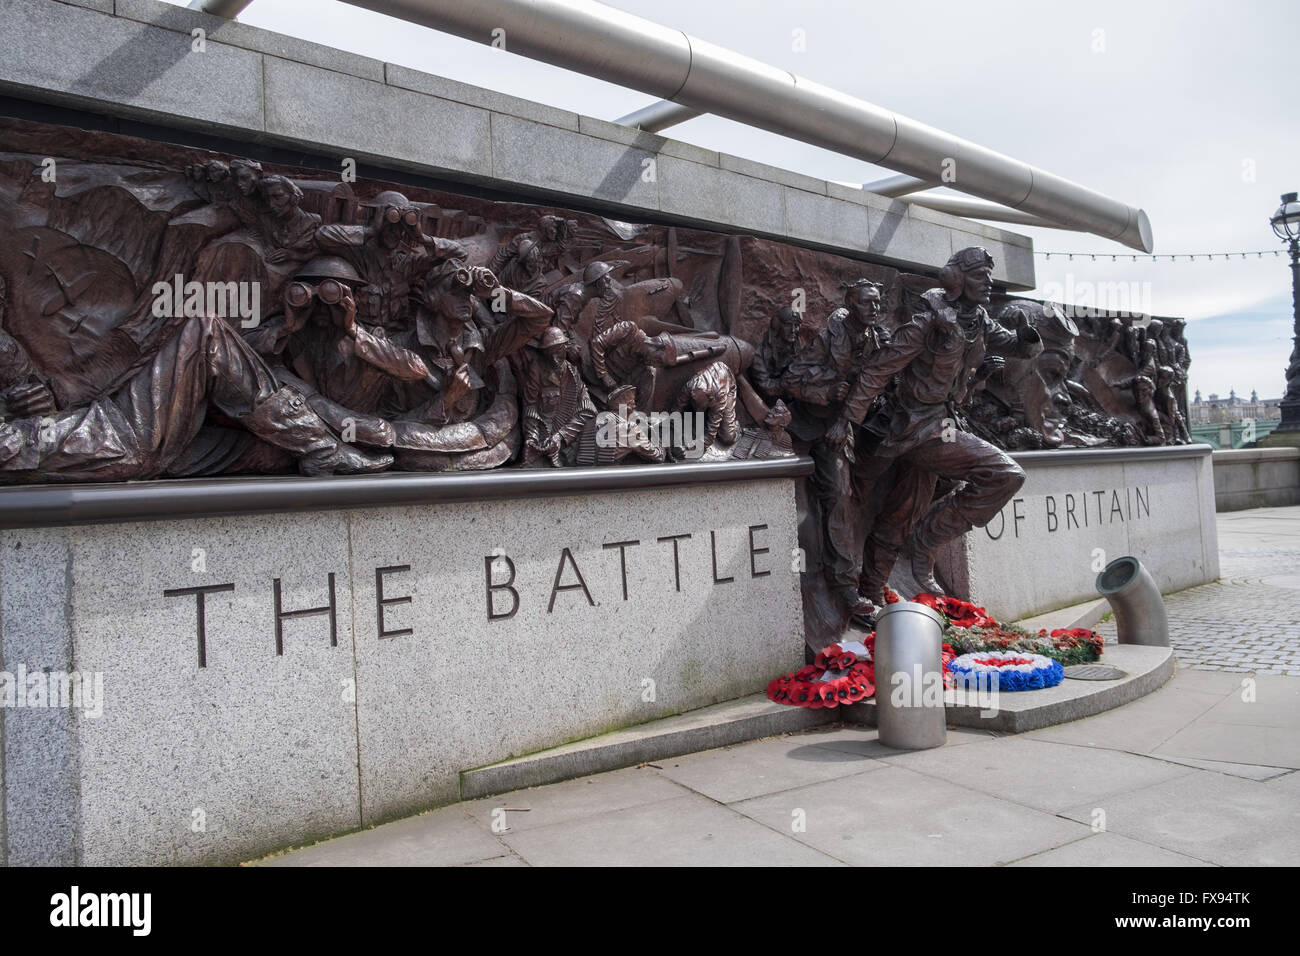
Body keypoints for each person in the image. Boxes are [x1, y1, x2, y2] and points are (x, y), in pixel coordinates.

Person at [0, 274, 391, 481]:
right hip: (112, 439)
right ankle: (323, 449)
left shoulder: (6, 349)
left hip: (148, 449)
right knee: (204, 331)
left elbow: (36, 391)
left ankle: (320, 452)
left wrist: (42, 399)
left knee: (276, 455)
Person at [838, 248, 1043, 614]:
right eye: (981, 276)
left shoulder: (978, 319)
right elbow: (878, 370)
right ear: (956, 280)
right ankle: (926, 542)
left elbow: (1016, 348)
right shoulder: (926, 324)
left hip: (944, 425)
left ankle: (871, 591)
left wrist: (1028, 338)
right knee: (1005, 474)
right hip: (920, 429)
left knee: (900, 514)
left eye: (989, 276)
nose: (989, 283)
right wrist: (848, 421)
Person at [780, 279, 892, 616]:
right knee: (833, 498)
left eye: (877, 302)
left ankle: (855, 580)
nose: (873, 308)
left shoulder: (878, 340)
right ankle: (835, 581)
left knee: (848, 496)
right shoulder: (829, 338)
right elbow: (791, 379)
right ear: (851, 304)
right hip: (810, 423)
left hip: (845, 428)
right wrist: (828, 390)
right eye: (866, 303)